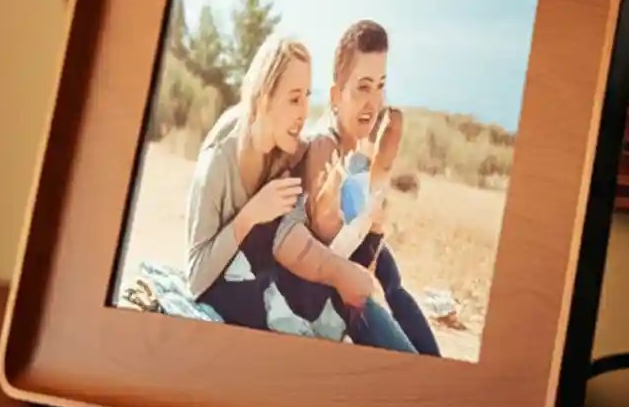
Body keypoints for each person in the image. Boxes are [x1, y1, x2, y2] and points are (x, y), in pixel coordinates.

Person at [185, 35, 415, 353]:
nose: (304, 112)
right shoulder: (218, 163)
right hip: (244, 293)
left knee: (376, 293)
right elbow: (195, 277)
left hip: (284, 281)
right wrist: (250, 215)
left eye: (307, 97)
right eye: (294, 99)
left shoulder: (285, 152)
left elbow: (292, 226)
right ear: (264, 99)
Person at [300, 20, 442, 356]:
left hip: (365, 265)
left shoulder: (358, 147)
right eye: (362, 87)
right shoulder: (323, 147)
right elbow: (328, 243)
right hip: (341, 292)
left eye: (380, 86)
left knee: (394, 281)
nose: (373, 100)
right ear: (336, 95)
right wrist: (368, 217)